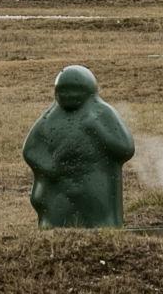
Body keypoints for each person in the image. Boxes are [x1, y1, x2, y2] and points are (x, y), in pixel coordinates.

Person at [22, 65, 134, 228]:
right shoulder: (50, 117)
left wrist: (97, 129)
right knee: (56, 224)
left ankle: (101, 236)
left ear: (88, 90)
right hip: (60, 187)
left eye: (75, 90)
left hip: (95, 185)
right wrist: (48, 167)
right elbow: (31, 150)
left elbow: (126, 148)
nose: (69, 96)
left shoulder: (102, 113)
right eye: (63, 91)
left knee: (100, 224)